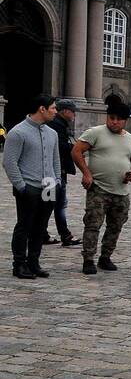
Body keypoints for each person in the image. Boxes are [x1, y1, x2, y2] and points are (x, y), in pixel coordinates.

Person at [72, 98, 131, 275]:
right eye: (111, 117)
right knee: (93, 224)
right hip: (98, 189)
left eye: (119, 119)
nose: (114, 121)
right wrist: (86, 173)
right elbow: (76, 151)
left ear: (125, 121)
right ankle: (88, 259)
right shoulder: (95, 133)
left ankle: (106, 257)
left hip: (121, 191)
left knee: (116, 225)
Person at [3, 94, 60, 279]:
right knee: (24, 226)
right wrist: (21, 186)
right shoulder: (18, 132)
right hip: (29, 187)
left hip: (49, 186)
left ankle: (33, 263)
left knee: (41, 226)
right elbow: (9, 163)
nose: (55, 111)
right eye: (53, 108)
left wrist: (57, 181)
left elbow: (55, 160)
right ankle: (19, 265)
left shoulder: (52, 133)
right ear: (42, 109)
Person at [42, 99, 81, 248]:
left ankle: (44, 233)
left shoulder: (59, 124)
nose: (74, 115)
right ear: (65, 111)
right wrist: (76, 148)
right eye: (73, 111)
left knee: (51, 204)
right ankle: (63, 235)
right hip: (52, 174)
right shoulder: (56, 125)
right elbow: (59, 147)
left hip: (54, 173)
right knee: (55, 204)